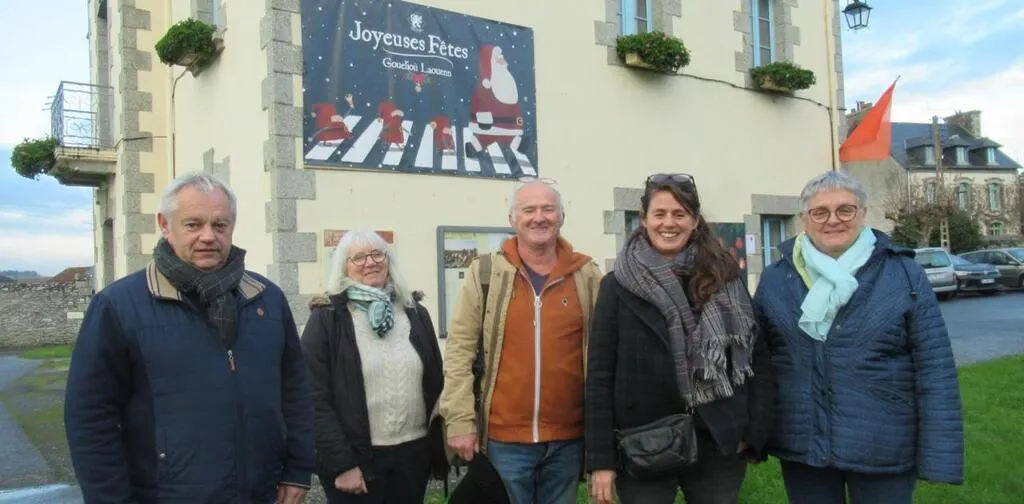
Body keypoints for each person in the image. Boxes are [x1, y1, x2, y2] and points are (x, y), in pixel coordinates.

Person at [64, 172, 315, 503]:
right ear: (165, 225)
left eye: (220, 225)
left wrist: (297, 470)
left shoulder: (266, 299)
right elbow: (90, 417)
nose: (208, 236)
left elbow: (295, 392)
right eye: (193, 224)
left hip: (261, 492)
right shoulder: (118, 306)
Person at [753, 171, 964, 504]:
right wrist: (752, 432)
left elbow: (935, 368)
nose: (833, 220)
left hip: (883, 445)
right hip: (804, 445)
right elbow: (760, 363)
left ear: (863, 214)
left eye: (845, 210)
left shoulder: (903, 274)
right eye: (820, 212)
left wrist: (941, 455)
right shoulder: (777, 279)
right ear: (804, 219)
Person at [585, 173, 775, 504]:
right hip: (644, 441)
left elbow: (757, 358)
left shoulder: (726, 280)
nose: (669, 223)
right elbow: (600, 377)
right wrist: (601, 461)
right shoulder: (617, 286)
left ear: (695, 221)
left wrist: (752, 433)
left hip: (717, 441)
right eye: (659, 214)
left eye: (679, 214)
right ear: (643, 220)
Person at [439, 180, 603, 504]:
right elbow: (459, 349)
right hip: (504, 441)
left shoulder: (586, 275)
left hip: (567, 441)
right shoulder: (486, 272)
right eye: (529, 210)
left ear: (561, 217)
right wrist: (459, 420)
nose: (539, 217)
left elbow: (602, 356)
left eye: (548, 209)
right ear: (513, 219)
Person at [302, 229, 448, 503]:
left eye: (377, 254)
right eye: (358, 258)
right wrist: (342, 464)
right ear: (344, 267)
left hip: (412, 455)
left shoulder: (414, 312)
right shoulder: (327, 319)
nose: (370, 263)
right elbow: (313, 399)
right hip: (357, 459)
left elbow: (435, 381)